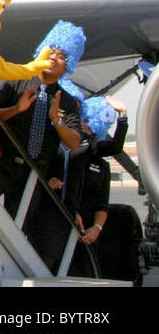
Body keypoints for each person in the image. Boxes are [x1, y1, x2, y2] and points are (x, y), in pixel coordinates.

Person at [0, 21, 84, 269]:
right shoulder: (17, 81)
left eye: (62, 56)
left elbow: (74, 141)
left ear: (67, 65)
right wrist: (17, 109)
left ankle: (2, 271)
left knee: (17, 230)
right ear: (41, 51)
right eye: (52, 51)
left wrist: (56, 121)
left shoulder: (67, 101)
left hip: (31, 174)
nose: (55, 59)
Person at [62, 95, 132, 278]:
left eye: (87, 122)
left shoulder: (100, 162)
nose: (83, 125)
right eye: (82, 121)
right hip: (64, 219)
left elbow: (103, 202)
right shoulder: (67, 150)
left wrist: (97, 229)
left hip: (88, 232)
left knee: (85, 273)